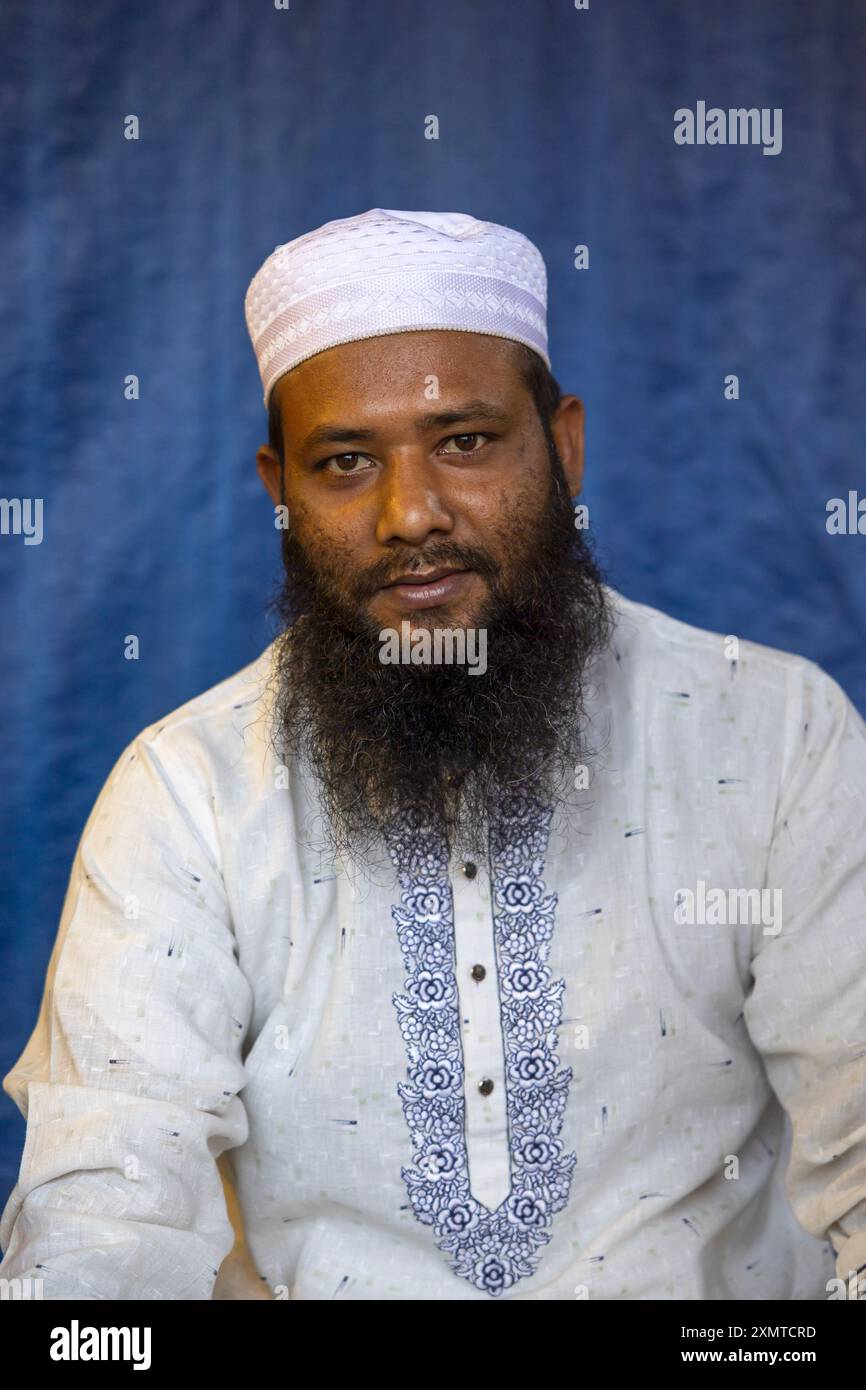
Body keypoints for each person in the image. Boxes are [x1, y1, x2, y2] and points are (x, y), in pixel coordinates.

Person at [1, 208, 864, 1301]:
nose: (411, 514)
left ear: (562, 446)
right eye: (347, 461)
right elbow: (102, 1227)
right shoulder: (186, 795)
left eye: (462, 442)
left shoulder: (773, 734)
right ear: (280, 490)